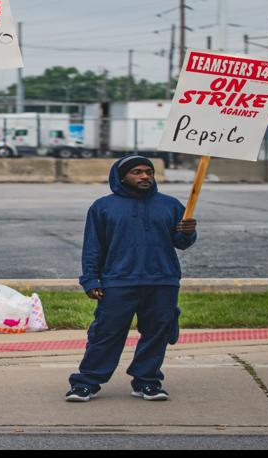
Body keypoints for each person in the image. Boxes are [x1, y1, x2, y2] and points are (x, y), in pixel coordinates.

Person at [66, 155, 198, 402]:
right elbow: (93, 247)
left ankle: (147, 381)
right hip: (118, 281)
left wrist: (189, 232)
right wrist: (91, 280)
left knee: (158, 332)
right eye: (137, 172)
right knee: (106, 333)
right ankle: (86, 383)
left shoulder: (171, 205)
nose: (145, 176)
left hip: (162, 280)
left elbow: (181, 243)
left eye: (149, 172)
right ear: (122, 176)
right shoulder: (103, 207)